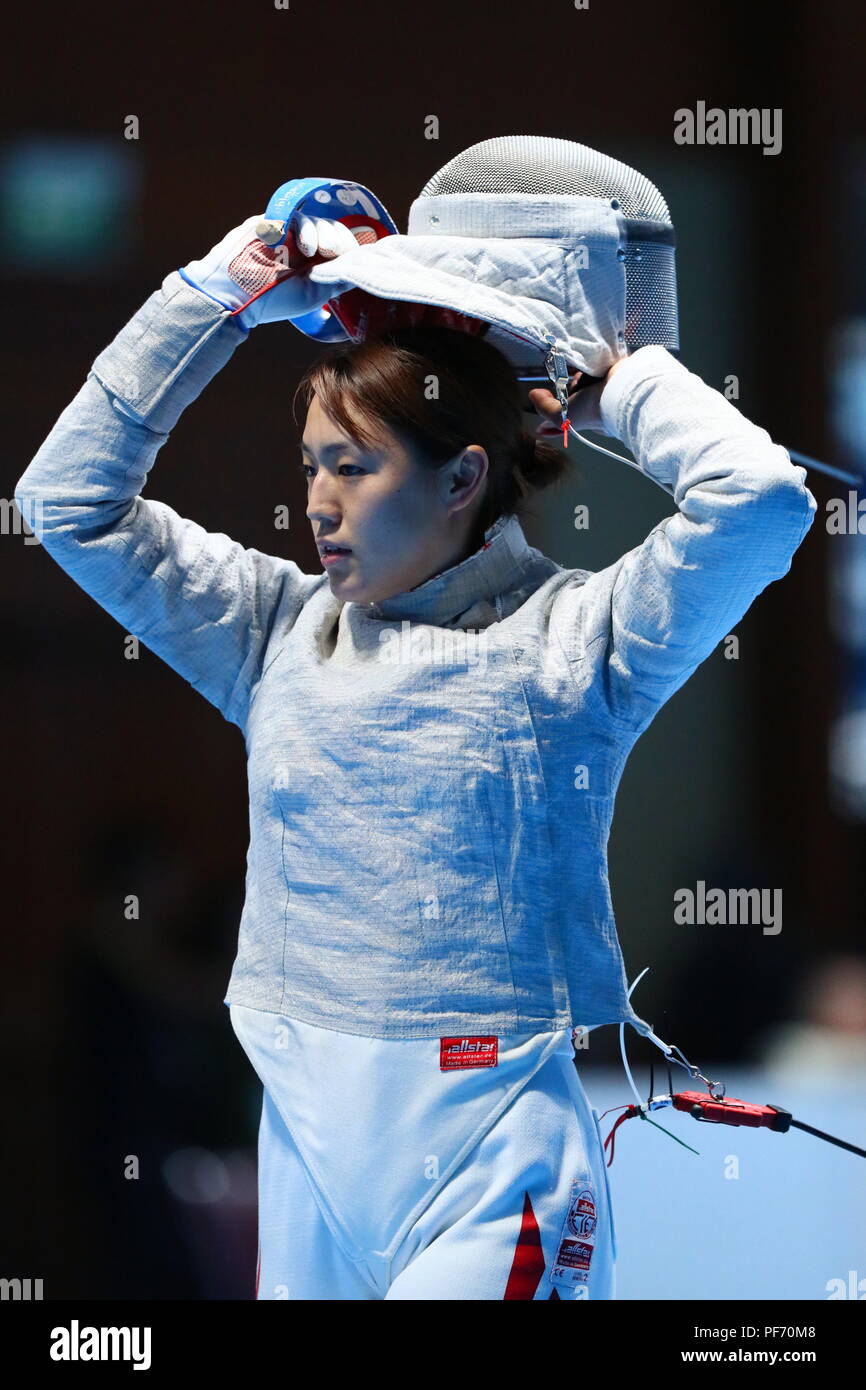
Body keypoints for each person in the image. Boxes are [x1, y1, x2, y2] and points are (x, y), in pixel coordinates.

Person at [15, 208, 817, 1300]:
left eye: (352, 466)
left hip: (492, 1179)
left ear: (459, 479)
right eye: (310, 466)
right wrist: (216, 296)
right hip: (305, 1161)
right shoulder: (273, 632)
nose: (316, 502)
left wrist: (607, 382)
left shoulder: (575, 645)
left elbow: (760, 502)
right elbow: (65, 504)